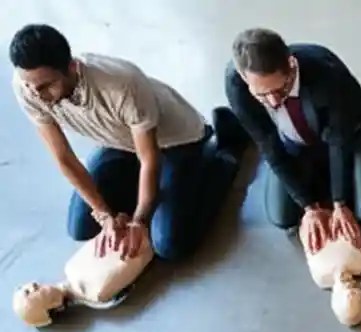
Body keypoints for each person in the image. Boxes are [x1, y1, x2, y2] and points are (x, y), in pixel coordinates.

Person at [10, 24, 248, 261]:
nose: (37, 95)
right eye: (30, 86)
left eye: (45, 86)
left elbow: (149, 157)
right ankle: (154, 194)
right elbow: (63, 158)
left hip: (176, 142)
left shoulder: (121, 84)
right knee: (81, 228)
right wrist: (104, 215)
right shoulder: (28, 88)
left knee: (169, 243)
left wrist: (139, 221)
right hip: (119, 143)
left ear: (71, 67)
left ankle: (225, 153)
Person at [226, 28, 361, 249]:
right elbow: (267, 142)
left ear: (291, 65)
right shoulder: (236, 85)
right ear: (243, 77)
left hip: (348, 130)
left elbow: (339, 140)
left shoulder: (328, 75)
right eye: (262, 94)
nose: (274, 101)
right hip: (294, 139)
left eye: (281, 89)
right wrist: (308, 206)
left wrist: (339, 203)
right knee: (283, 217)